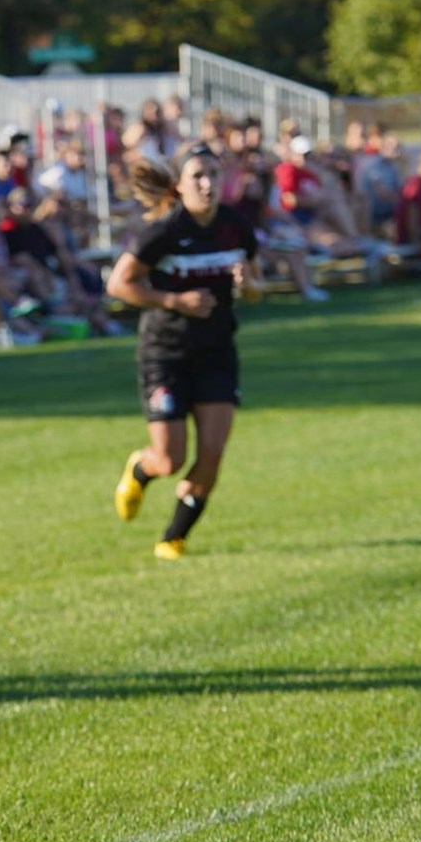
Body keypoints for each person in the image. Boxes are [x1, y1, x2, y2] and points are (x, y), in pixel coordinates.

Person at [106, 146, 263, 561]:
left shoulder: (236, 227)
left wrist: (248, 283)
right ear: (179, 184)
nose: (207, 183)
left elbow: (256, 288)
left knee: (212, 453)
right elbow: (119, 285)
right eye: (197, 175)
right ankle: (140, 469)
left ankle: (173, 537)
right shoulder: (163, 231)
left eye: (214, 173)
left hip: (216, 352)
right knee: (170, 458)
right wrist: (175, 302)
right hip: (166, 353)